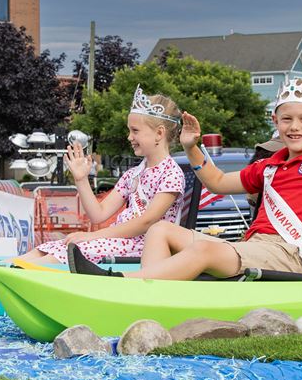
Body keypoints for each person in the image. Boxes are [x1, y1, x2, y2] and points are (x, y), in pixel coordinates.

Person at [134, 78, 302, 286]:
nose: (294, 127)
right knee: (160, 230)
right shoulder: (270, 165)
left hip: (288, 254)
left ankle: (128, 284)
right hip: (253, 247)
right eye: (286, 119)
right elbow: (217, 182)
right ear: (276, 122)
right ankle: (152, 297)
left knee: (203, 252)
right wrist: (191, 146)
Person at [17, 87, 183, 268]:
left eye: (135, 131)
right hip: (119, 243)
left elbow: (147, 221)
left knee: (60, 256)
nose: (129, 137)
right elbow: (99, 213)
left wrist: (92, 236)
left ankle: (14, 278)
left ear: (159, 133)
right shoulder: (133, 174)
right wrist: (81, 179)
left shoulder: (171, 174)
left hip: (144, 248)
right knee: (44, 250)